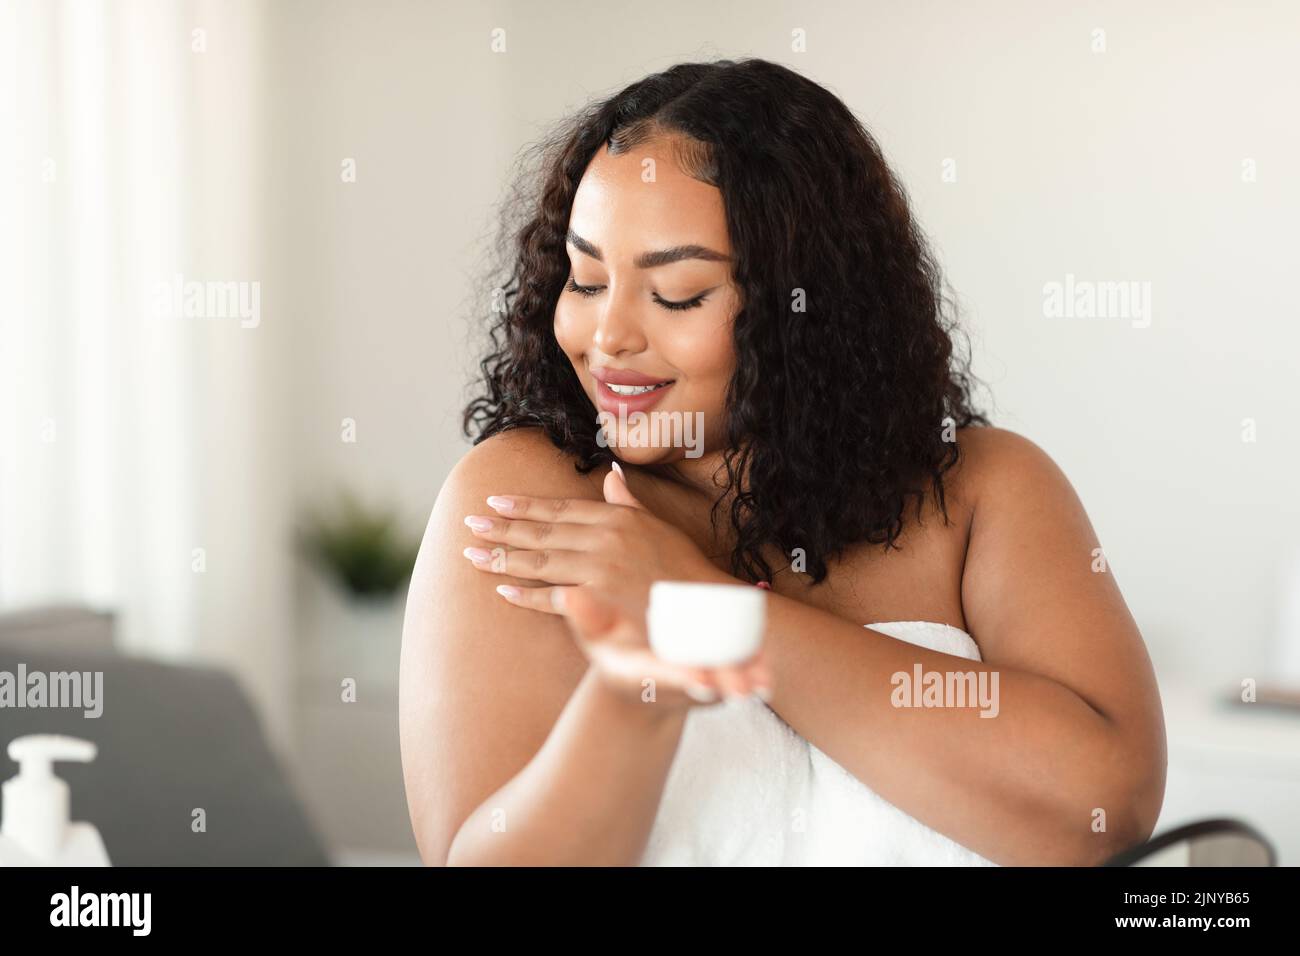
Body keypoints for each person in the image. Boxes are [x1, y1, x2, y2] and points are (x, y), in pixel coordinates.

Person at [399, 58, 1166, 866]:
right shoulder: (527, 501)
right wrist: (636, 695)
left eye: (679, 294)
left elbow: (1102, 814)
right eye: (585, 280)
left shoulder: (984, 490)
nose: (608, 336)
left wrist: (714, 611)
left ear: (808, 310)